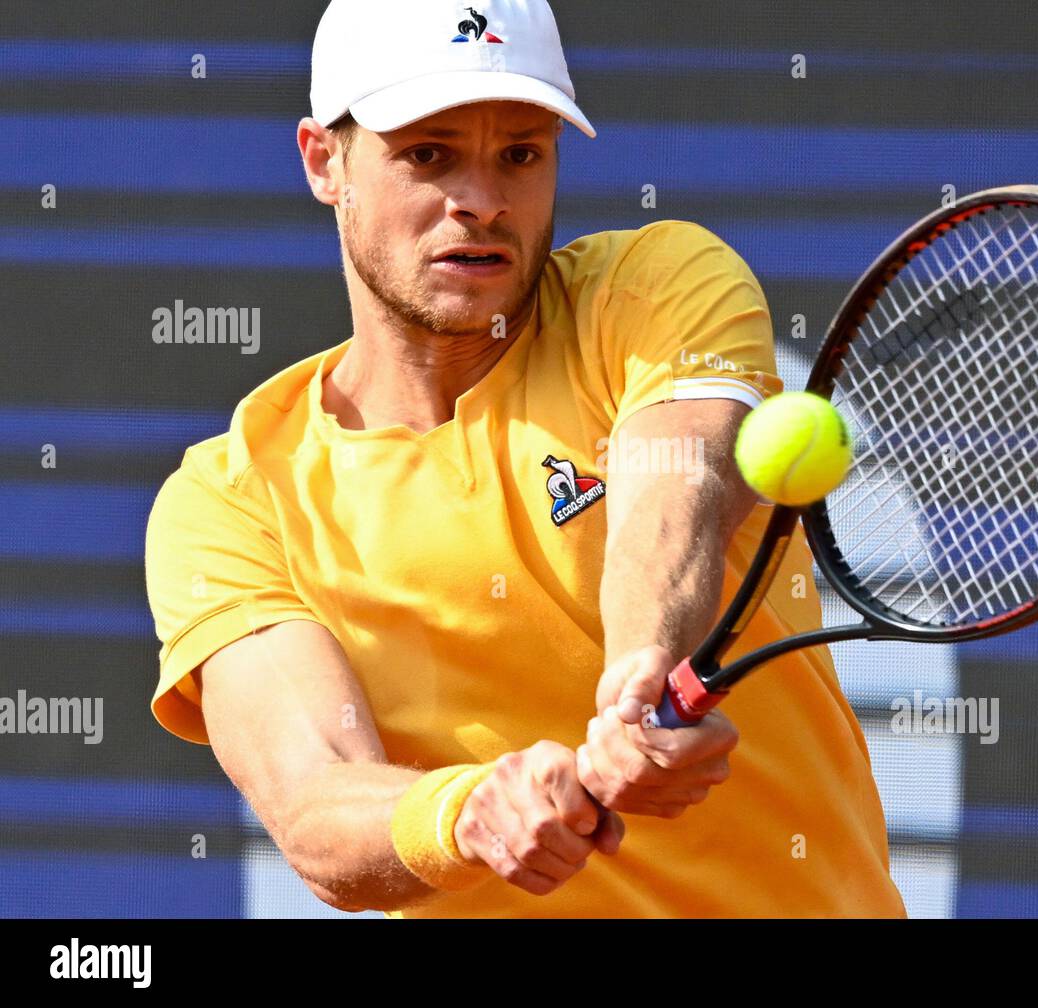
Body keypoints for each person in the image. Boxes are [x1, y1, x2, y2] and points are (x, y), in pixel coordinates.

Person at [144, 0, 906, 918]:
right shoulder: (229, 499)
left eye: (522, 152)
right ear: (324, 161)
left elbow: (677, 490)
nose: (485, 199)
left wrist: (640, 675)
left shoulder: (656, 288)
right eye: (428, 154)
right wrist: (469, 814)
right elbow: (317, 808)